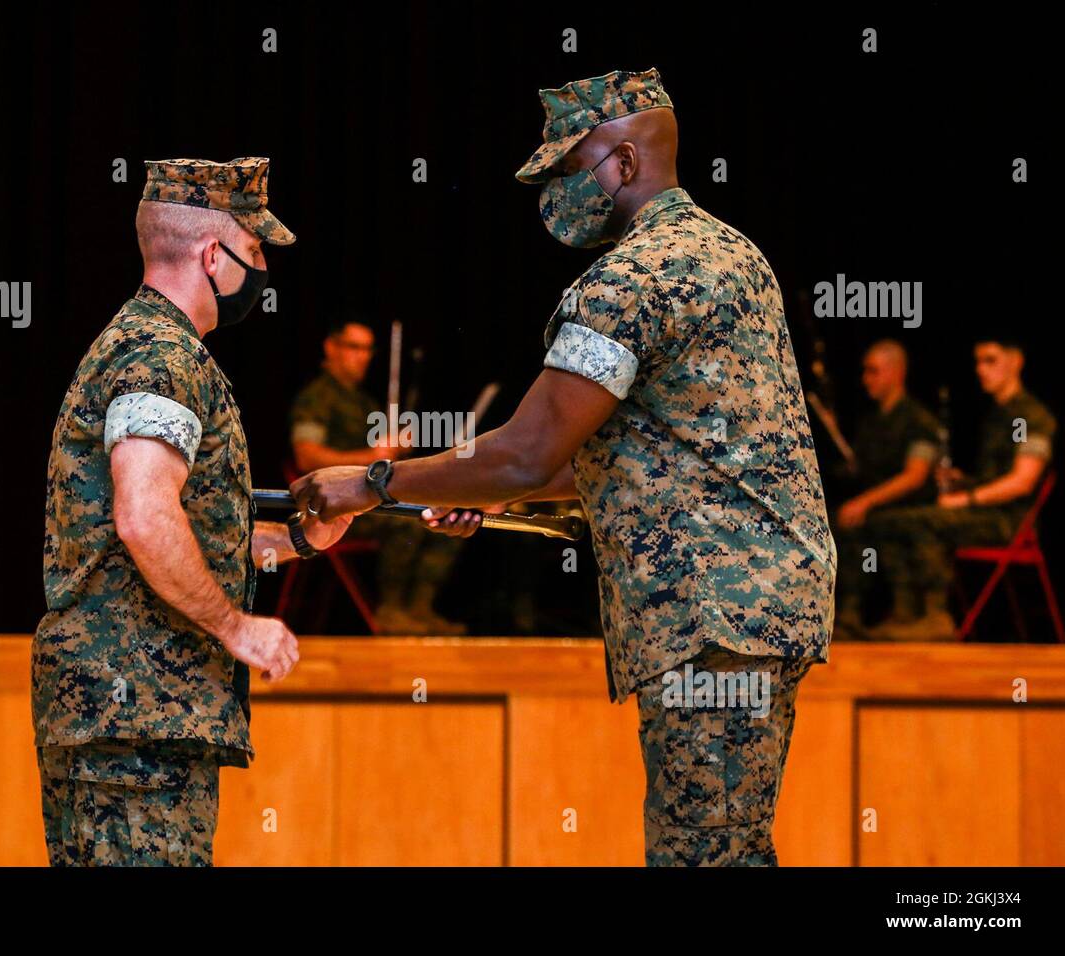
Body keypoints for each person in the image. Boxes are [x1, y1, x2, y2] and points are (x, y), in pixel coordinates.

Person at [292, 69, 835, 866]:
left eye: (568, 168)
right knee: (727, 843)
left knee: (704, 855)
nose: (556, 190)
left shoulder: (632, 278)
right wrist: (488, 492)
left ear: (621, 162)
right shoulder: (735, 256)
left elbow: (526, 451)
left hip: (709, 612)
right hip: (762, 602)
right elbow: (648, 455)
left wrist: (371, 485)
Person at [32, 157, 351, 866]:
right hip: (134, 717)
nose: (263, 268)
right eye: (257, 249)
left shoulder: (157, 349)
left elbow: (187, 528)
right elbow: (144, 518)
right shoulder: (159, 355)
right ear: (215, 255)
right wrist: (235, 627)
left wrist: (298, 540)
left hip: (135, 719)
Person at [869, 338, 1056, 641]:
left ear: (1016, 361)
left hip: (1007, 522)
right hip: (987, 511)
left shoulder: (1030, 416)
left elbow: (1022, 482)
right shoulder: (999, 414)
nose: (981, 370)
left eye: (990, 361)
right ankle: (905, 615)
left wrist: (965, 498)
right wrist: (962, 480)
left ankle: (934, 617)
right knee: (891, 520)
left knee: (921, 523)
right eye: (978, 362)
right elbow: (996, 477)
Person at [290, 319, 467, 634]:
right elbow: (306, 456)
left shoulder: (363, 402)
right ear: (331, 347)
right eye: (354, 347)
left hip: (368, 499)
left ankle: (417, 609)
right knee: (410, 518)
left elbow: (382, 457)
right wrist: (372, 456)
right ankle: (392, 611)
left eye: (368, 349)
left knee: (442, 513)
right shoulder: (317, 396)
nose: (364, 356)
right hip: (334, 504)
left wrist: (396, 447)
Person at [832, 340, 939, 640]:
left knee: (872, 524)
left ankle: (904, 614)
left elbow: (914, 477)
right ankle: (847, 614)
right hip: (875, 506)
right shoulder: (871, 422)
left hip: (907, 508)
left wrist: (865, 502)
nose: (866, 379)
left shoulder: (919, 421)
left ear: (896, 372)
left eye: (874, 371)